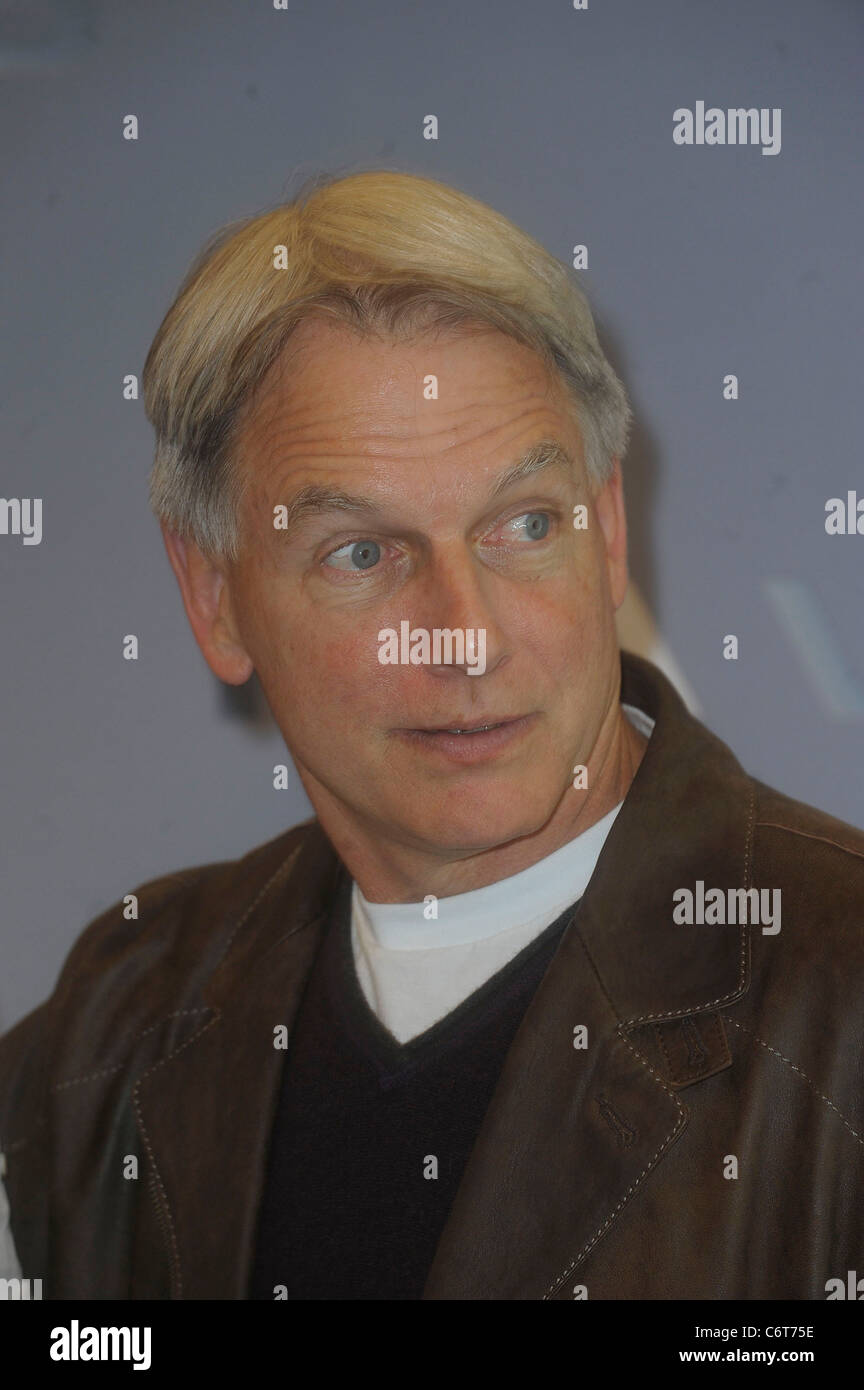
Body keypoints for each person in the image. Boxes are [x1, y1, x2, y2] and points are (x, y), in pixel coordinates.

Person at [1, 170, 862, 1301]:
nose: (465, 636)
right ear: (214, 596)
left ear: (607, 532)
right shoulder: (116, 1017)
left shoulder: (840, 1000)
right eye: (363, 552)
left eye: (522, 525)